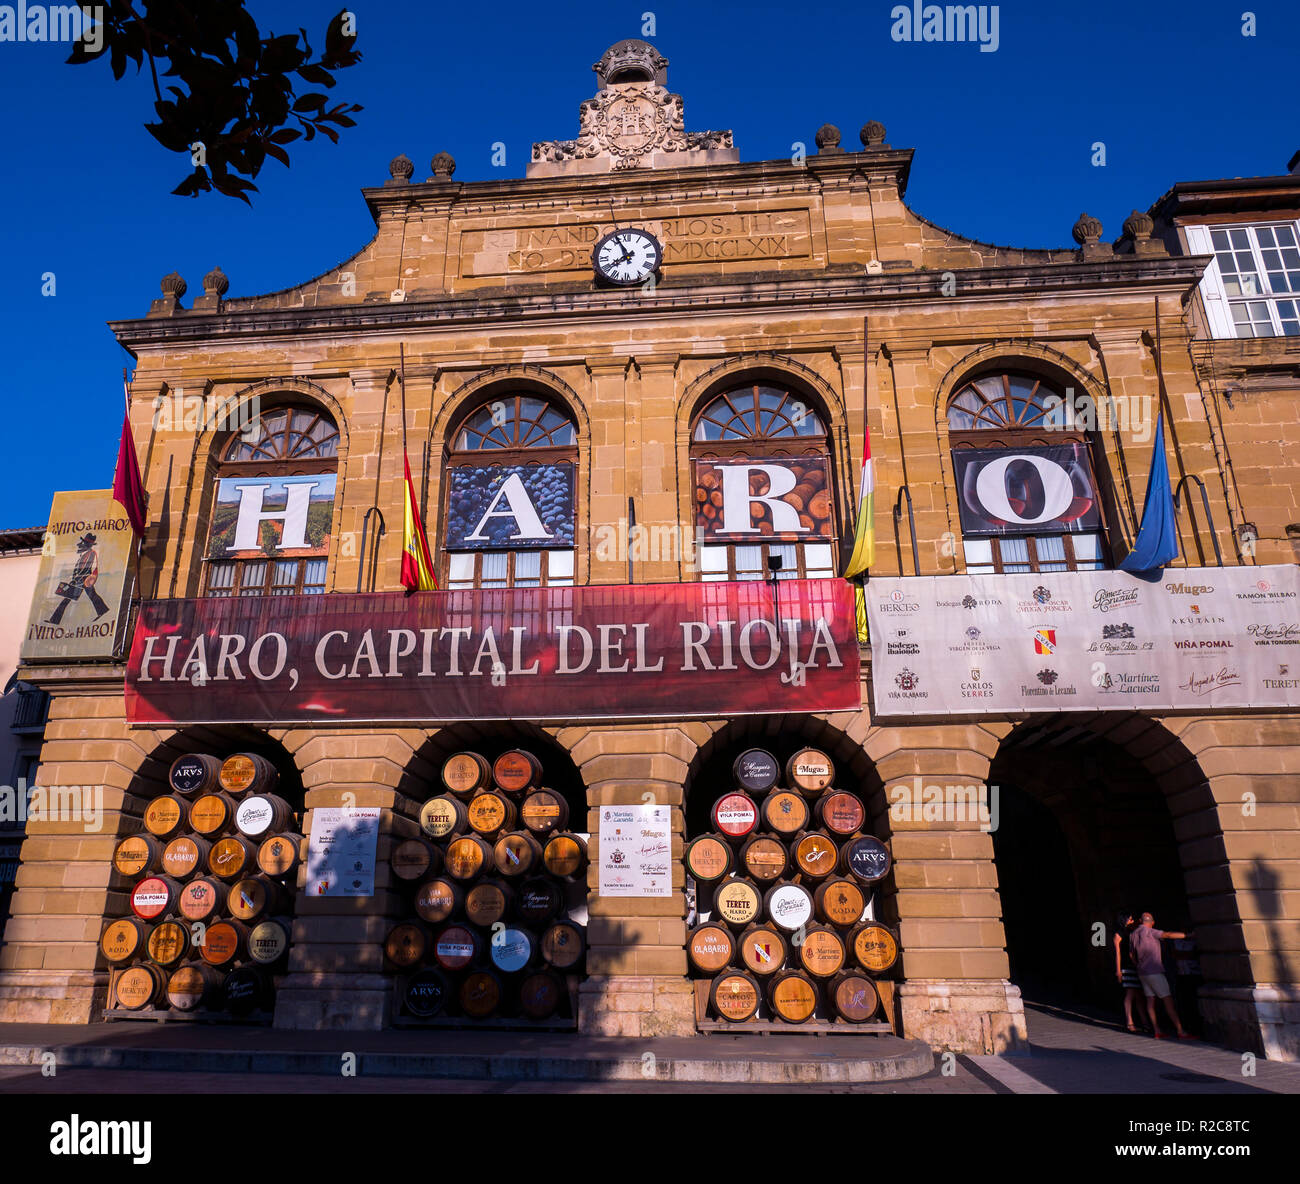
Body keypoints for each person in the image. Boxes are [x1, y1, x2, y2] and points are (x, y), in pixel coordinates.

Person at [1129, 912, 1194, 1039]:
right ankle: (1181, 1031)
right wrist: (1188, 935)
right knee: (1168, 1001)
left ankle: (1157, 1030)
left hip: (1142, 973)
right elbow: (1168, 935)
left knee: (1150, 1001)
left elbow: (1131, 954)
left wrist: (1138, 965)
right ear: (1152, 922)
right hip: (1155, 972)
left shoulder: (1133, 934)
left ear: (1140, 921)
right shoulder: (1151, 932)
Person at [47, 532, 109, 625]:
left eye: (84, 543)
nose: (81, 545)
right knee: (91, 596)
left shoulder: (91, 553)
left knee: (73, 598)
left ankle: (55, 620)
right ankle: (103, 610)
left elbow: (86, 567)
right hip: (80, 580)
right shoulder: (84, 554)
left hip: (83, 580)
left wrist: (76, 578)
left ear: (88, 545)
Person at [1113, 910, 1145, 1033]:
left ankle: (1144, 1021)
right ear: (1124, 920)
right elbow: (1118, 953)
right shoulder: (1119, 934)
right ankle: (1129, 1021)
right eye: (1130, 919)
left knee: (1138, 994)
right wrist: (1118, 970)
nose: (1132, 921)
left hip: (1135, 965)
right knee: (1130, 993)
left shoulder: (1131, 932)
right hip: (1126, 966)